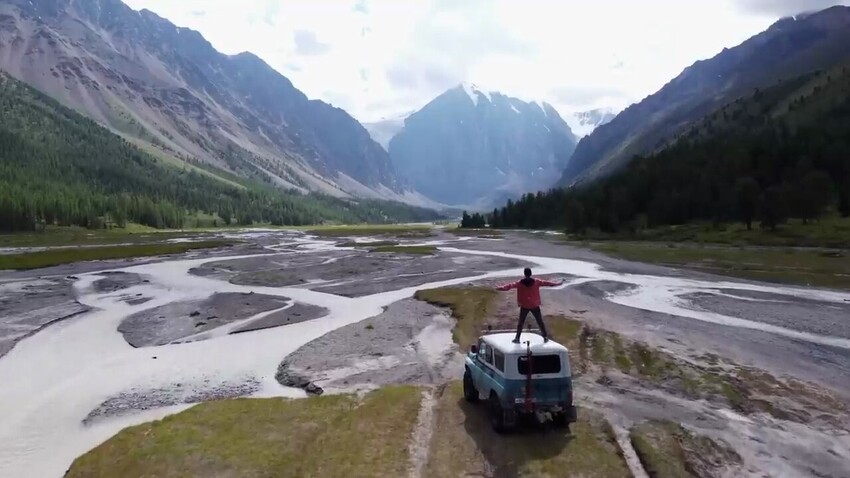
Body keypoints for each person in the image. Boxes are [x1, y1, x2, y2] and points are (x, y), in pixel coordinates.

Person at [495, 268, 562, 343]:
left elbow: (509, 286)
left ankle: (517, 338)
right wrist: (558, 283)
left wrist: (499, 288)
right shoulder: (537, 282)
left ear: (524, 274)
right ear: (531, 273)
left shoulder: (520, 283)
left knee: (521, 323)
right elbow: (548, 283)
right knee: (540, 322)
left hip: (524, 305)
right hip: (534, 305)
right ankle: (545, 337)